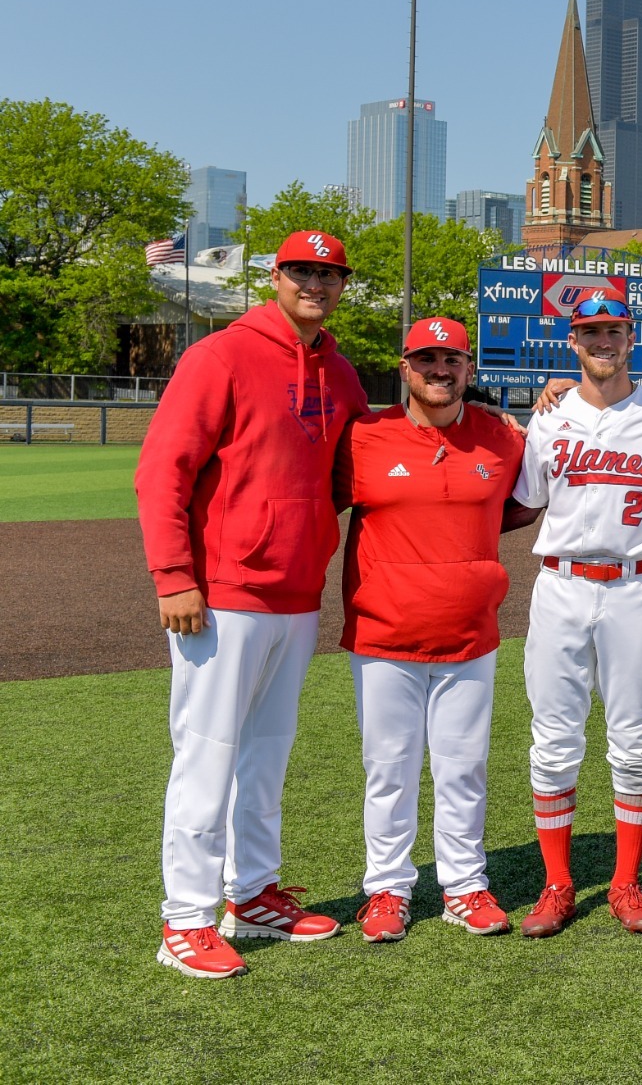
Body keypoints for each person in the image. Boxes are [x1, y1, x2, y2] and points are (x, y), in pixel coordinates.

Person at [137, 229, 371, 979]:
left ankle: (252, 893)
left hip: (296, 594)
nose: (315, 283)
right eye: (301, 270)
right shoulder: (220, 355)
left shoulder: (341, 371)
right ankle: (185, 918)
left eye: (329, 273)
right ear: (276, 276)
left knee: (266, 756)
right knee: (207, 756)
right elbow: (162, 471)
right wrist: (173, 575)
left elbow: (355, 469)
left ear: (342, 284)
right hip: (221, 594)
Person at [334, 317, 538, 943]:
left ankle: (464, 885)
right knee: (388, 769)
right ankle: (388, 889)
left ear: (469, 369)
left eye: (452, 360)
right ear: (405, 368)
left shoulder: (502, 439)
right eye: (426, 359)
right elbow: (312, 503)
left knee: (463, 767)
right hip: (383, 631)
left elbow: (524, 506)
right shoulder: (364, 436)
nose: (439, 370)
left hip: (469, 631)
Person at [510, 292, 642, 939]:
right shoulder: (550, 417)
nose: (603, 341)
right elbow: (527, 498)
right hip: (560, 585)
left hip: (634, 588)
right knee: (554, 739)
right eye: (590, 331)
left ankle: (625, 882)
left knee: (635, 740)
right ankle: (558, 883)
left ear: (631, 335)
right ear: (574, 341)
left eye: (613, 329)